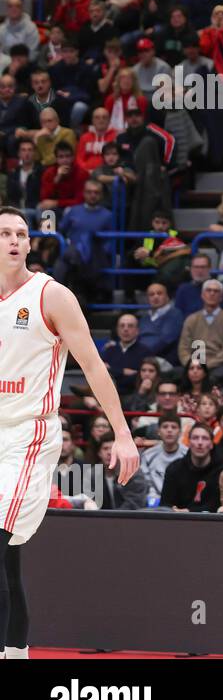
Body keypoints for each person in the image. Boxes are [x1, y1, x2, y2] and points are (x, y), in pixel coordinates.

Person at [0, 207, 139, 659]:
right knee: (7, 558)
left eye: (21, 233)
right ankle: (15, 652)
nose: (15, 241)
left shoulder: (51, 295)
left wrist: (122, 433)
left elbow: (94, 366)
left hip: (28, 436)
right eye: (4, 233)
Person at [160, 422, 223, 513]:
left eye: (205, 438)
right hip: (178, 521)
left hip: (212, 522)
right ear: (189, 443)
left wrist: (189, 511)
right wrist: (173, 511)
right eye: (195, 438)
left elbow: (218, 505)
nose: (200, 443)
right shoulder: (174, 469)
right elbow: (165, 504)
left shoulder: (222, 470)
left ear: (211, 444)